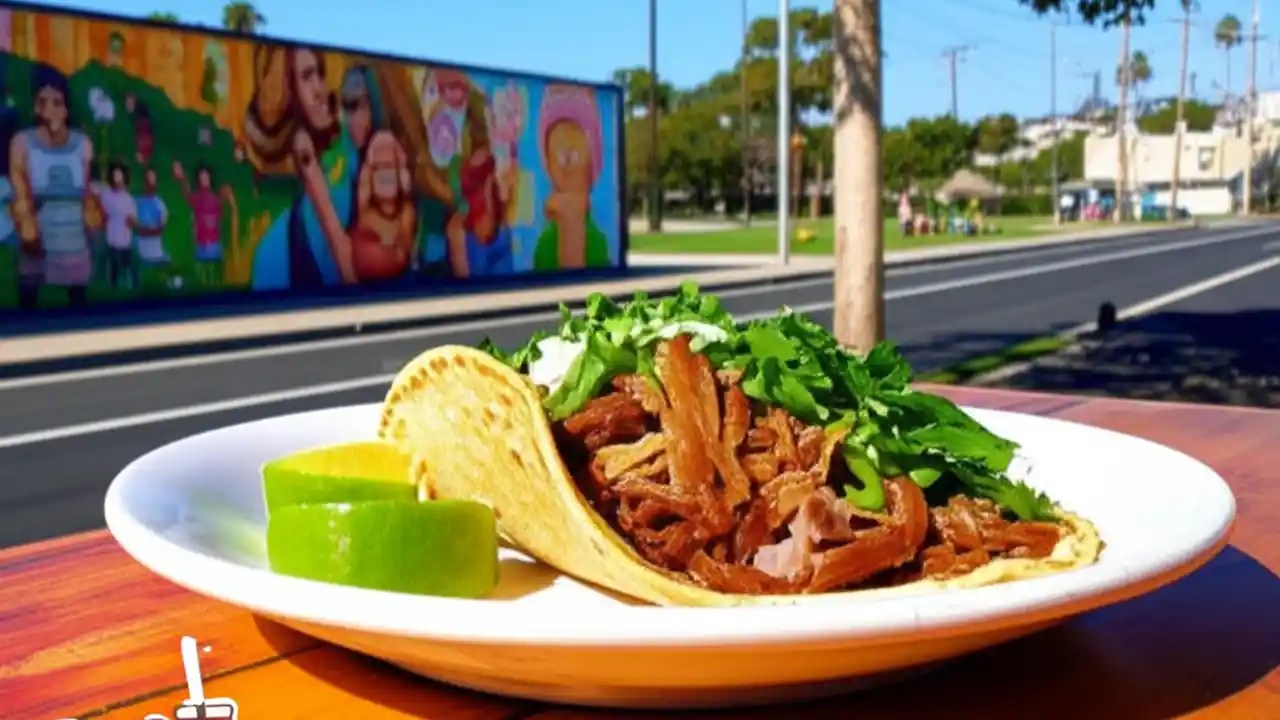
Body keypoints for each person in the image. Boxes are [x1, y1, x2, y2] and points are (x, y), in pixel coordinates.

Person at [8, 63, 100, 309]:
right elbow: (20, 192)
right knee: (29, 300)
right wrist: (28, 230)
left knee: (78, 302)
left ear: (66, 106)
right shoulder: (22, 142)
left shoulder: (82, 143)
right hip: (39, 237)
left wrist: (93, 226)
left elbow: (87, 192)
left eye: (56, 103)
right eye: (42, 102)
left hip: (74, 238)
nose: (49, 111)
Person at [532, 84, 609, 271]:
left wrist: (572, 223)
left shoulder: (596, 241)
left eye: (573, 154)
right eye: (555, 155)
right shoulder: (545, 242)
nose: (564, 166)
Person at [96, 160, 138, 290]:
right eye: (115, 176)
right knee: (113, 266)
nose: (118, 179)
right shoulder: (106, 194)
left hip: (125, 241)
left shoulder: (128, 199)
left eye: (120, 176)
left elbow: (132, 220)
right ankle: (112, 287)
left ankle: (133, 287)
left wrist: (132, 222)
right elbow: (94, 189)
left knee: (129, 265)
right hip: (112, 239)